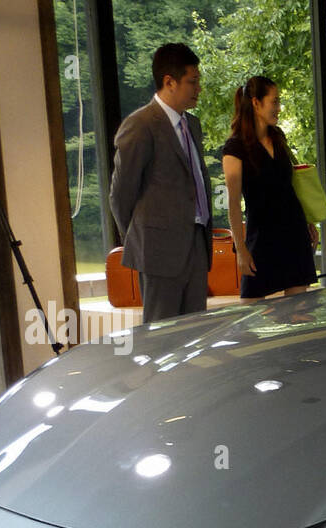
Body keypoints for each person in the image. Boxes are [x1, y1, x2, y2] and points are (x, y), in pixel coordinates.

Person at [109, 43, 213, 323]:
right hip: (158, 250)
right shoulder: (141, 124)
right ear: (169, 82)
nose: (198, 89)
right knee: (161, 336)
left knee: (193, 334)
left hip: (195, 240)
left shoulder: (192, 124)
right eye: (192, 82)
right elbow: (120, 194)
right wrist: (141, 239)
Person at [221, 76, 317, 300]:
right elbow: (233, 203)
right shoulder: (235, 147)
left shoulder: (278, 137)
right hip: (261, 236)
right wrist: (240, 249)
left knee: (299, 313)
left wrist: (308, 220)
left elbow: (291, 186)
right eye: (274, 102)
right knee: (250, 316)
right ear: (256, 103)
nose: (279, 108)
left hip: (294, 231)